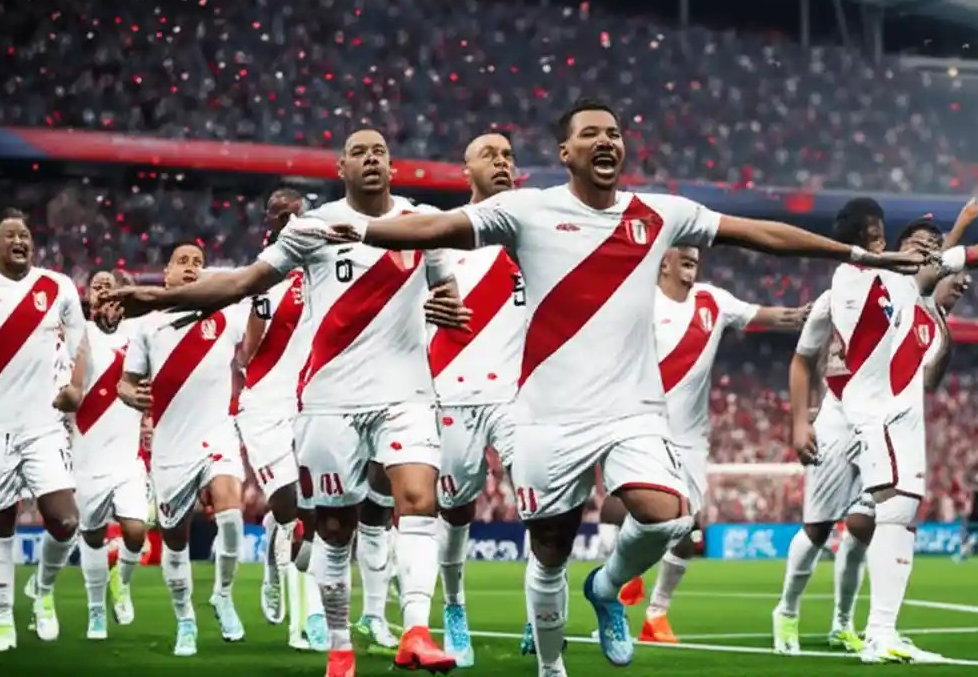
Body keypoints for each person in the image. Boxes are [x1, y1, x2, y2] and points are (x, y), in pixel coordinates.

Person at [292, 98, 926, 677]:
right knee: (548, 550)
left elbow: (757, 234)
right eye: (589, 133)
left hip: (631, 413)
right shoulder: (528, 209)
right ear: (564, 153)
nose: (606, 141)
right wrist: (365, 230)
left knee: (668, 515)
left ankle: (608, 586)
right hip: (544, 416)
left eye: (615, 133)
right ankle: (550, 666)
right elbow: (438, 230)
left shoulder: (659, 214)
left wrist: (860, 257)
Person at [104, 129, 467, 676]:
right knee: (333, 529)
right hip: (330, 400)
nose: (371, 159)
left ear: (393, 168)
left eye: (380, 152)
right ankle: (340, 647)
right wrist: (156, 296)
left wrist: (448, 307)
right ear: (341, 169)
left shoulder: (423, 224)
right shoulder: (312, 229)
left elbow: (446, 292)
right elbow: (241, 283)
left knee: (418, 501)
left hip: (406, 393)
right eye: (359, 152)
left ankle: (416, 629)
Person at [820, 195, 978, 664]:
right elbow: (911, 266)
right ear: (869, 236)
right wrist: (949, 239)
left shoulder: (904, 284)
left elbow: (976, 255)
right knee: (895, 510)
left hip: (901, 417)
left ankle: (882, 631)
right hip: (876, 412)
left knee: (903, 514)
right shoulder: (853, 277)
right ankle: (878, 634)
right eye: (879, 230)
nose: (886, 237)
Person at [622, 245, 810, 644]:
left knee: (689, 531)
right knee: (647, 515)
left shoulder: (713, 300)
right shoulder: (638, 300)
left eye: (695, 257)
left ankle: (656, 615)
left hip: (691, 439)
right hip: (641, 426)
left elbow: (768, 315)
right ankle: (622, 581)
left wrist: (805, 315)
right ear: (665, 261)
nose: (693, 261)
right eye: (683, 256)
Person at [0, 208, 85, 651]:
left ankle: (43, 591)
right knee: (0, 527)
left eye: (26, 235)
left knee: (65, 521)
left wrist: (76, 387)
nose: (20, 241)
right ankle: (3, 623)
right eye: (10, 235)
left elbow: (80, 344)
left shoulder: (58, 287)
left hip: (44, 426)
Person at [118, 243, 249, 656]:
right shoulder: (147, 326)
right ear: (166, 273)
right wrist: (130, 397)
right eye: (183, 262)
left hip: (217, 434)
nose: (192, 268)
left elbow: (260, 306)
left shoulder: (225, 315)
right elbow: (127, 381)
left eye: (198, 262)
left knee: (231, 516)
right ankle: (185, 622)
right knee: (175, 541)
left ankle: (223, 594)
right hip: (172, 444)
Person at [431, 132, 522, 668]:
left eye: (509, 155)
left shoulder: (534, 236)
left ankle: (542, 611)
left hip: (516, 395)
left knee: (541, 505)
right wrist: (424, 309)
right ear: (466, 171)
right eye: (489, 155)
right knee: (456, 511)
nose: (502, 162)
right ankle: (454, 607)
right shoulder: (442, 237)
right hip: (453, 394)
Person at [235, 188, 331, 651]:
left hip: (311, 403)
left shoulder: (324, 268)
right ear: (268, 222)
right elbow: (247, 350)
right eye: (280, 213)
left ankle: (290, 588)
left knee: (310, 513)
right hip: (265, 407)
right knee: (294, 507)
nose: (290, 219)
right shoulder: (260, 276)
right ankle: (304, 614)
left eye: (297, 212)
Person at [53, 269, 148, 640]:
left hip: (127, 453)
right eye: (97, 286)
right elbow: (73, 387)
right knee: (91, 537)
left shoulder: (139, 335)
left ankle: (120, 582)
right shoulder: (80, 337)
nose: (104, 291)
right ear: (89, 297)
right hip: (89, 452)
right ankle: (96, 613)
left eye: (111, 286)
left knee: (136, 532)